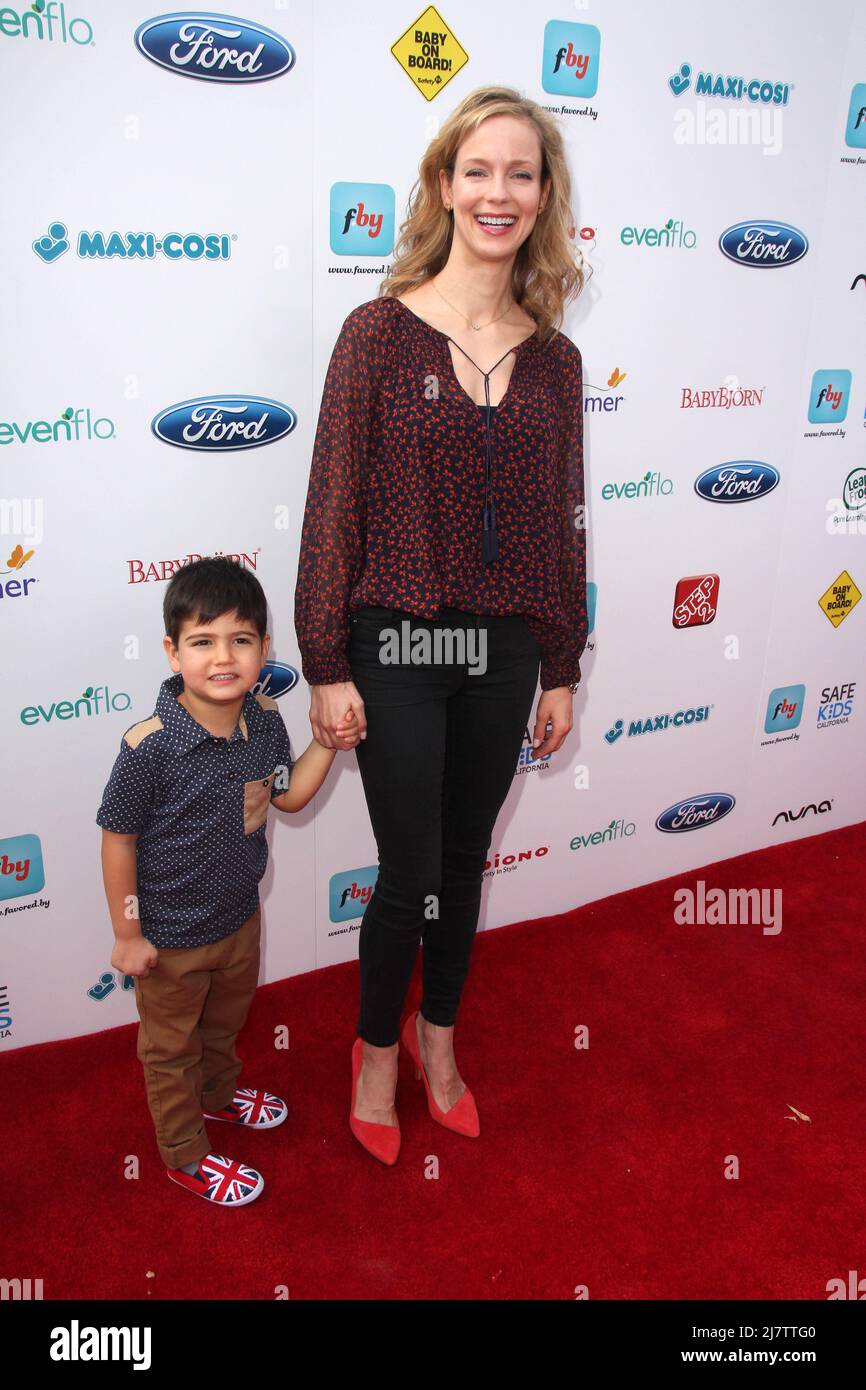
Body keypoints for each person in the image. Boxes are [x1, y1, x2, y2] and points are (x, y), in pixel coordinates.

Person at [294, 86, 589, 1166]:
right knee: (407, 861)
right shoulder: (374, 332)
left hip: (504, 645)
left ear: (542, 195)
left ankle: (438, 1036)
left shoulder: (552, 359)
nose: (496, 192)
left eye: (520, 173)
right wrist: (326, 659)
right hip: (400, 642)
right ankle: (375, 1051)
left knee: (463, 860)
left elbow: (564, 519)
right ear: (442, 184)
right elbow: (334, 503)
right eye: (478, 170)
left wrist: (559, 664)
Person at [97, 556, 356, 1206]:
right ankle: (184, 1154)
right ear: (172, 651)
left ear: (264, 649)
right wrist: (128, 933)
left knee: (223, 1028)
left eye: (240, 640)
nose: (223, 657)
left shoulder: (265, 720)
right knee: (171, 1050)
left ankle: (218, 1099)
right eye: (203, 641)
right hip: (168, 945)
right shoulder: (148, 746)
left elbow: (289, 796)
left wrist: (328, 740)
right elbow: (117, 838)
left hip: (240, 922)